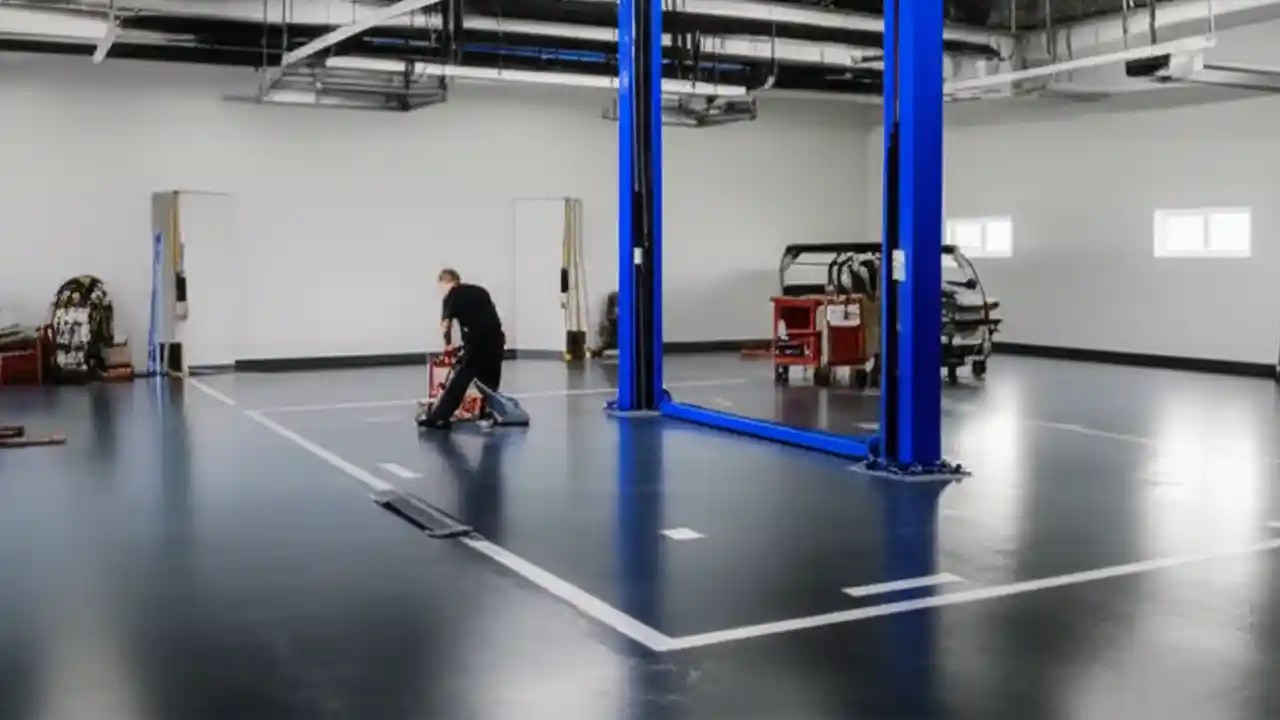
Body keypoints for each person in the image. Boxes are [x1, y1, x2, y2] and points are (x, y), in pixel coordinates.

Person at [419, 269, 506, 430]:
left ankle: (439, 418)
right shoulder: (480, 290)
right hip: (496, 340)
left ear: (446, 282)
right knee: (490, 382)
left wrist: (448, 346)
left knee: (460, 379)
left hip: (477, 343)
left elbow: (446, 325)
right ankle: (490, 413)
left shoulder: (452, 295)